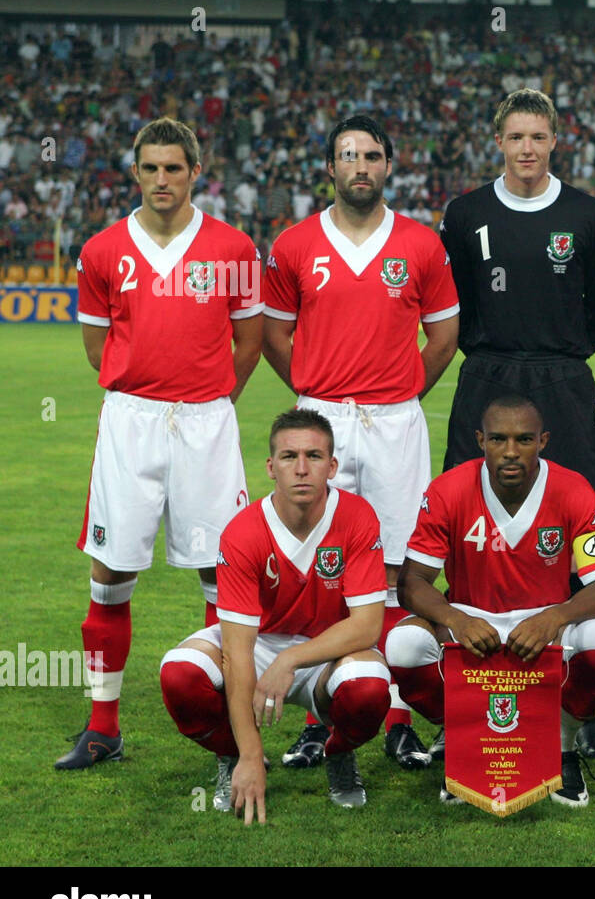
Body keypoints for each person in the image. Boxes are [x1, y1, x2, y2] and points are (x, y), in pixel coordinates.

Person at [59, 116, 263, 769]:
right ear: (136, 171)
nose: (161, 180)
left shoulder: (232, 248)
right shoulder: (101, 250)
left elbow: (250, 340)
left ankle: (227, 734)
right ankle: (102, 727)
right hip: (131, 421)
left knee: (220, 573)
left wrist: (211, 402)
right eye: (150, 168)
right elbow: (98, 348)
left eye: (174, 167)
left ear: (195, 172)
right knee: (111, 572)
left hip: (207, 422)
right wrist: (147, 392)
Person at [262, 114, 460, 770]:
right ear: (329, 167)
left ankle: (401, 719)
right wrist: (316, 393)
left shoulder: (421, 245)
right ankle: (324, 713)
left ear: (388, 165)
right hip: (323, 421)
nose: (361, 166)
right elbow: (273, 334)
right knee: (324, 570)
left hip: (396, 421)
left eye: (372, 155)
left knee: (403, 569)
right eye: (348, 155)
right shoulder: (293, 244)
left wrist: (404, 392)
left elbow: (443, 336)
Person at [438, 88, 595, 758]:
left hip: (563, 381)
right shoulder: (466, 213)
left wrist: (556, 358)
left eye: (538, 137)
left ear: (554, 141)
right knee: (466, 517)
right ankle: (473, 681)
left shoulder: (589, 215)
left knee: (577, 519)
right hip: (486, 375)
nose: (527, 149)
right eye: (516, 137)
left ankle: (581, 703)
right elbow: (453, 306)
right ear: (499, 142)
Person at [158, 410, 392, 821]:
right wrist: (250, 752)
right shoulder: (243, 531)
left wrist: (291, 660)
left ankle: (338, 753)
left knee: (369, 689)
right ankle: (232, 758)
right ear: (270, 467)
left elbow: (368, 625)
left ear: (333, 466)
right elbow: (237, 648)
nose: (301, 469)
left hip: (328, 651)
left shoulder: (357, 517)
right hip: (259, 644)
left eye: (314, 456)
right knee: (181, 675)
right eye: (288, 457)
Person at [391, 394, 595, 807]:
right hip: (470, 621)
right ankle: (464, 740)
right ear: (480, 440)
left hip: (547, 624)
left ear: (544, 440)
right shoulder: (448, 489)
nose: (511, 452)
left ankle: (562, 745)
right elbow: (412, 583)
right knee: (403, 646)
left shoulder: (572, 489)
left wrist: (556, 616)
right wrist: (454, 619)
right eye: (498, 439)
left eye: (524, 440)